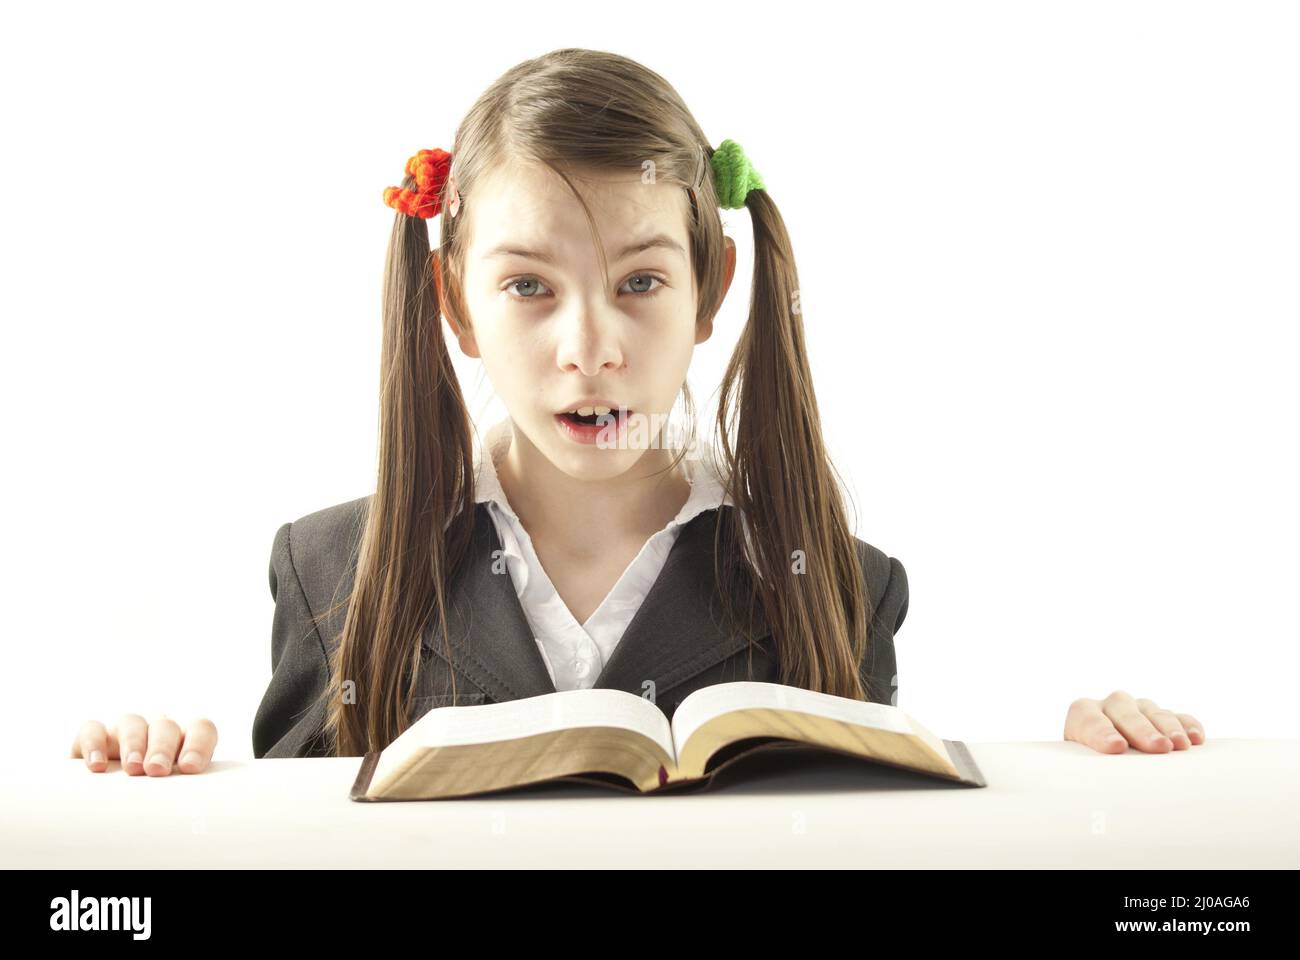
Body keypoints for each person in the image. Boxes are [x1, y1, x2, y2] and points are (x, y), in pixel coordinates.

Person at [71, 48, 1204, 775]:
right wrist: (159, 780)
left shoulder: (844, 584)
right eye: (527, 286)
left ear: (712, 286)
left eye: (640, 281)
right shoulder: (330, 570)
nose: (591, 348)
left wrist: (1068, 785)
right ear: (454, 304)